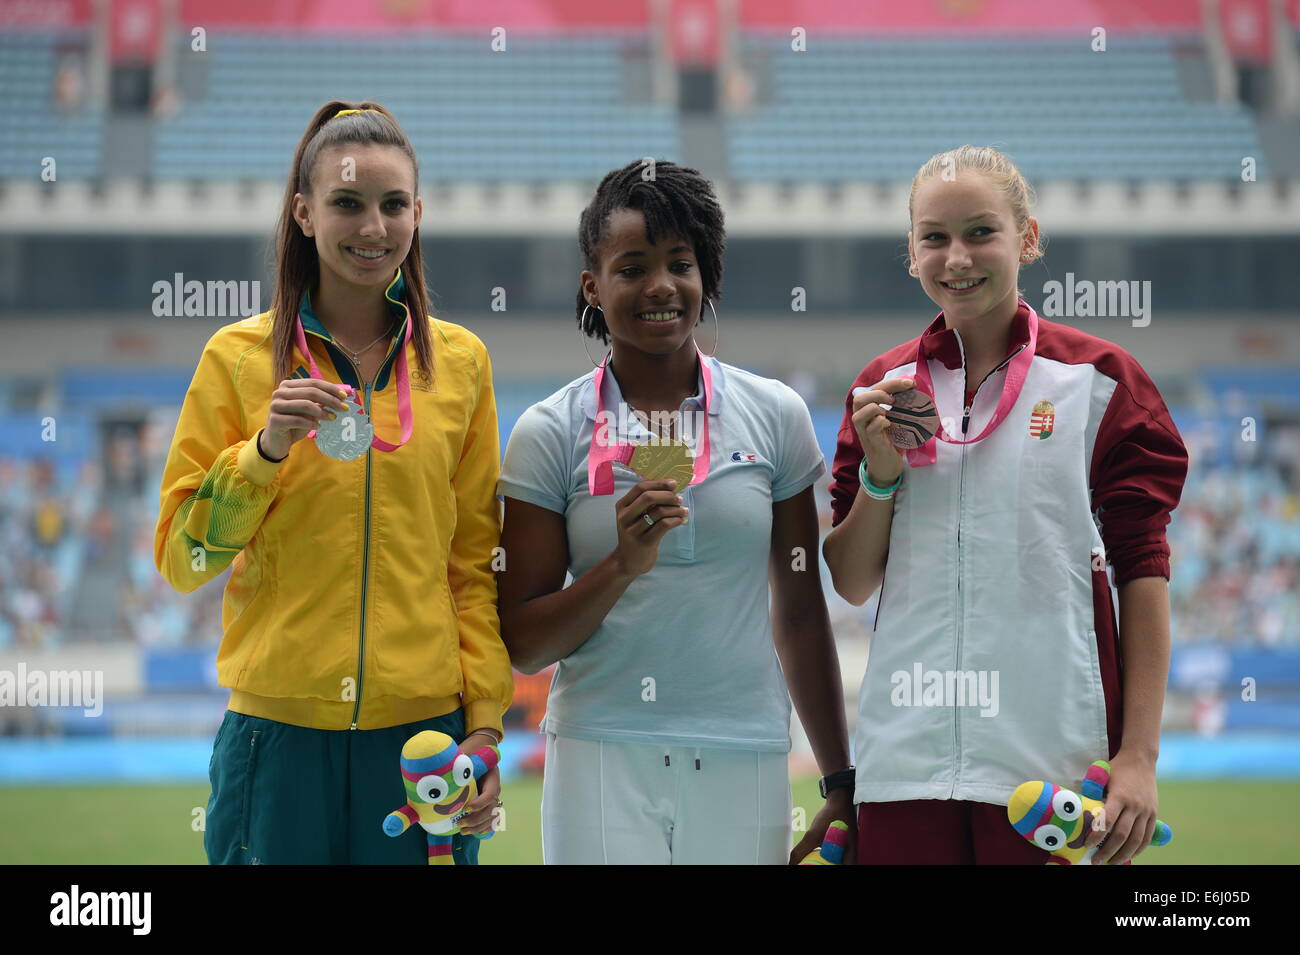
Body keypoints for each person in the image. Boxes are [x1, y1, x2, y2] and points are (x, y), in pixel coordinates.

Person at [154, 102, 513, 864]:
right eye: (346, 203)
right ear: (304, 213)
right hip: (276, 743)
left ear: (418, 213)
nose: (372, 227)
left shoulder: (462, 363)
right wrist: (263, 452)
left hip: (423, 749)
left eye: (392, 205)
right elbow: (183, 559)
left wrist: (482, 727)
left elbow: (473, 569)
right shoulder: (237, 358)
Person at [822, 145, 1188, 865]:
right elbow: (853, 578)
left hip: (1051, 765)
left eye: (980, 231)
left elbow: (1142, 570)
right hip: (907, 766)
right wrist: (881, 474)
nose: (957, 256)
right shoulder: (882, 387)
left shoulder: (1103, 382)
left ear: (1028, 238)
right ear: (911, 253)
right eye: (934, 237)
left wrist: (1138, 754)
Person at [496, 159, 855, 865]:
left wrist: (839, 775)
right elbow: (525, 643)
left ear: (705, 278)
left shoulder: (775, 415)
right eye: (631, 267)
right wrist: (622, 567)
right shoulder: (547, 430)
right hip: (598, 750)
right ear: (592, 286)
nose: (660, 286)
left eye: (680, 264)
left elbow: (801, 610)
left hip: (742, 750)